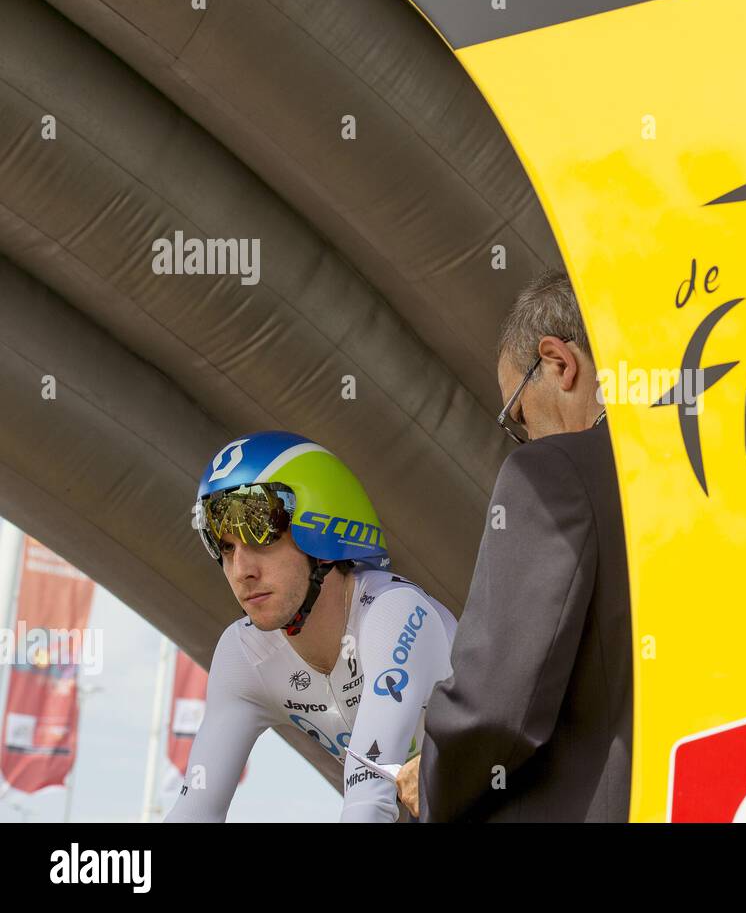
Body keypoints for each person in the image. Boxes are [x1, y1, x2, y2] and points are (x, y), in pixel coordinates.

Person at [402, 268, 633, 822]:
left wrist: (431, 776)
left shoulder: (554, 473)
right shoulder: (709, 475)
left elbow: (498, 706)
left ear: (559, 362)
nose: (525, 438)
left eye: (518, 417)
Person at [166, 430, 456, 823]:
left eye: (260, 535)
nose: (241, 571)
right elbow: (193, 812)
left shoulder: (393, 613)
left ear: (323, 530)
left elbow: (368, 802)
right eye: (225, 546)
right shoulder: (241, 654)